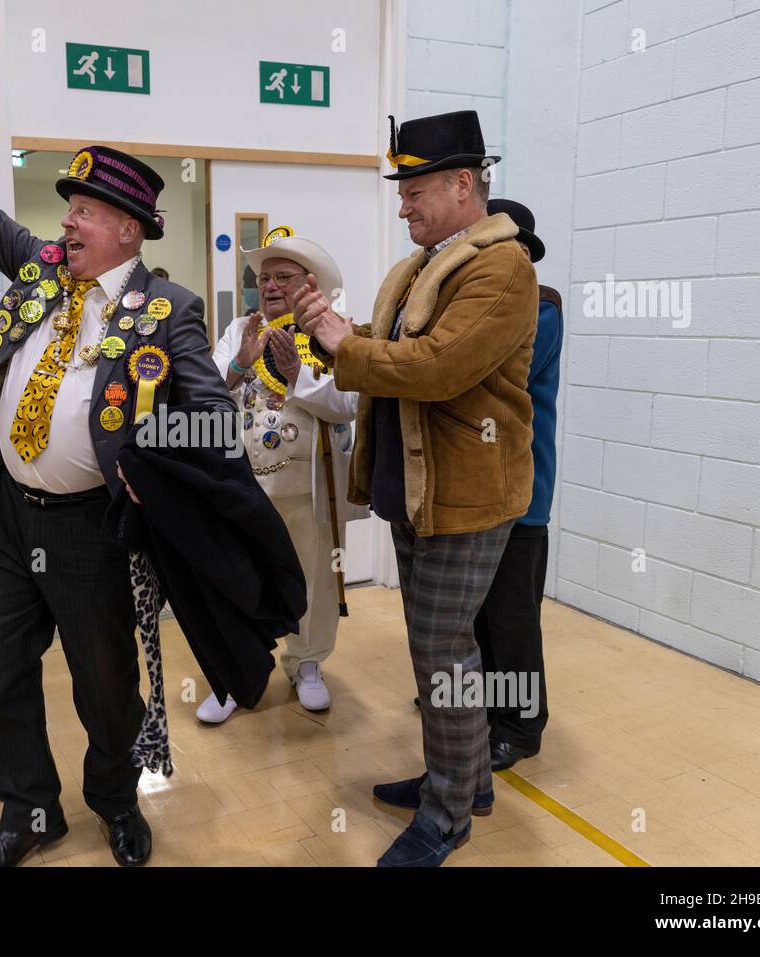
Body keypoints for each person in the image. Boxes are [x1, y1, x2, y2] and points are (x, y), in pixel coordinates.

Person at [0, 77, 235, 867]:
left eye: (85, 211)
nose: (66, 220)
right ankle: (29, 812)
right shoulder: (36, 269)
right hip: (8, 519)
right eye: (68, 207)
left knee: (104, 689)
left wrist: (158, 460)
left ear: (128, 231)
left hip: (93, 529)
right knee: (0, 675)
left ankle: (113, 799)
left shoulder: (169, 310)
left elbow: (214, 420)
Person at [295, 111, 539, 866]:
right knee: (435, 651)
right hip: (418, 490)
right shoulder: (423, 266)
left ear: (464, 185)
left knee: (445, 654)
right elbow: (388, 349)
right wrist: (330, 329)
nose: (403, 205)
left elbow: (435, 367)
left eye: (415, 190)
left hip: (468, 496)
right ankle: (464, 782)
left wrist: (346, 343)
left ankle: (449, 815)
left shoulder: (502, 269)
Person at [201, 229, 361, 721]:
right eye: (263, 278)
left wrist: (298, 377)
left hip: (308, 486)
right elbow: (204, 393)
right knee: (238, 579)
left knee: (313, 576)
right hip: (244, 486)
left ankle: (307, 663)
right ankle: (235, 675)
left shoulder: (333, 333)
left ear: (309, 283)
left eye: (283, 277)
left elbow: (348, 405)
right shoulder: (239, 328)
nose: (269, 286)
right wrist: (238, 364)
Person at [474, 198, 562, 772]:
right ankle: (481, 703)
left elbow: (491, 373)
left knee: (511, 618)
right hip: (481, 493)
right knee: (477, 612)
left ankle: (522, 726)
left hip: (523, 495)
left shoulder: (541, 308)